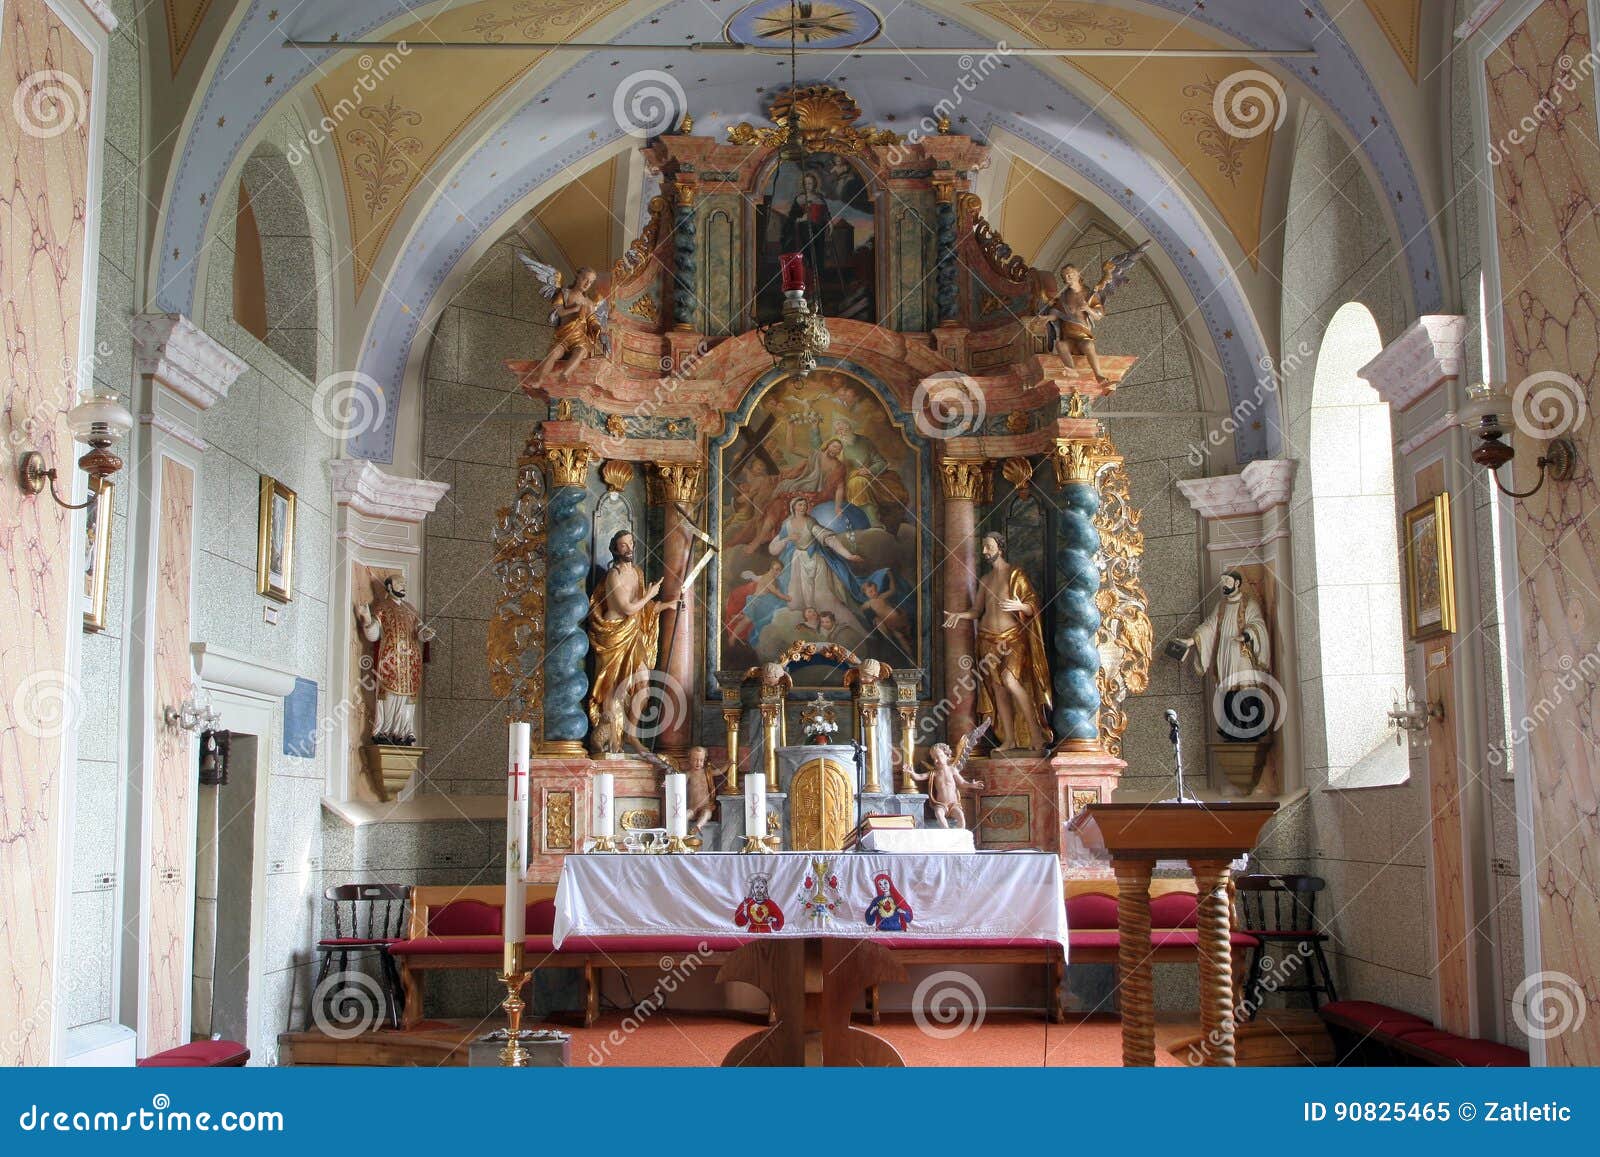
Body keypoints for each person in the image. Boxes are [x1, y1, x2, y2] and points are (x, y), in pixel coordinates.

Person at [942, 533, 1052, 752]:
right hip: (987, 640)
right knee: (998, 689)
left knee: (1009, 680)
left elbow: (1033, 605)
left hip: (1012, 638)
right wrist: (959, 616)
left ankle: (1036, 735)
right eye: (983, 547)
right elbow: (977, 611)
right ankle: (1009, 739)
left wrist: (1021, 607)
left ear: (1000, 548)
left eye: (988, 547)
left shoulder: (1015, 574)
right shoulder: (985, 579)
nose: (985, 551)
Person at [585, 530, 667, 753]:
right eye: (623, 545)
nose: (629, 548)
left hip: (633, 633)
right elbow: (628, 608)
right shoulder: (614, 575)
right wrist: (650, 595)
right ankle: (611, 741)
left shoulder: (638, 573)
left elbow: (641, 609)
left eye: (631, 543)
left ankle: (631, 734)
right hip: (614, 635)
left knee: (643, 685)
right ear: (615, 549)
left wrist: (663, 605)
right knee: (614, 690)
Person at [1180, 569, 1273, 741]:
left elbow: (1258, 624)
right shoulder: (1221, 605)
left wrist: (1246, 635)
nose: (1224, 584)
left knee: (1245, 685)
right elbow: (1209, 626)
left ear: (1237, 584)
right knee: (1228, 689)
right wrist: (1191, 641)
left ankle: (1251, 729)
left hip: (1241, 652)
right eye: (1223, 581)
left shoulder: (1248, 603)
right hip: (1225, 654)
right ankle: (1231, 730)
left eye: (1227, 581)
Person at [356, 574, 435, 745]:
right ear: (389, 587)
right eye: (399, 583)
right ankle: (384, 730)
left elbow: (419, 631)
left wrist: (425, 633)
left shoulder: (411, 610)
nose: (403, 586)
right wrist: (367, 618)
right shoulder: (382, 608)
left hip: (410, 662)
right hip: (391, 661)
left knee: (408, 697)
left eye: (404, 583)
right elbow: (373, 635)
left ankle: (405, 732)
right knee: (389, 695)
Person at [533, 267, 605, 380]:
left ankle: (564, 374)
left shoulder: (589, 303)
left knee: (581, 351)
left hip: (579, 339)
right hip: (563, 337)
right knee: (553, 354)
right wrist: (575, 309)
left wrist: (598, 327)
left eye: (590, 282)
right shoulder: (565, 294)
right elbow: (560, 312)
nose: (587, 284)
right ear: (577, 276)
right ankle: (538, 380)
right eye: (585, 279)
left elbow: (592, 320)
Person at [1044, 264, 1107, 383]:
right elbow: (1056, 313)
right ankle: (1071, 369)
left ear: (1078, 274)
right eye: (1064, 276)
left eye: (1070, 274)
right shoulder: (1063, 297)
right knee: (1061, 345)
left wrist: (1088, 309)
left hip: (1083, 335)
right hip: (1068, 337)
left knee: (1088, 345)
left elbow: (1099, 314)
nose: (1067, 277)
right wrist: (1047, 318)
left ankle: (1098, 374)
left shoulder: (1089, 294)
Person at [909, 742, 985, 829]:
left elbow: (962, 783)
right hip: (941, 804)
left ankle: (961, 835)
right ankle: (947, 831)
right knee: (938, 813)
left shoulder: (952, 770)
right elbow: (920, 777)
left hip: (953, 804)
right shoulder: (934, 773)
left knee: (961, 816)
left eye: (939, 756)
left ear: (947, 756)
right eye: (934, 758)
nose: (936, 760)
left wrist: (972, 785)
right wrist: (912, 773)